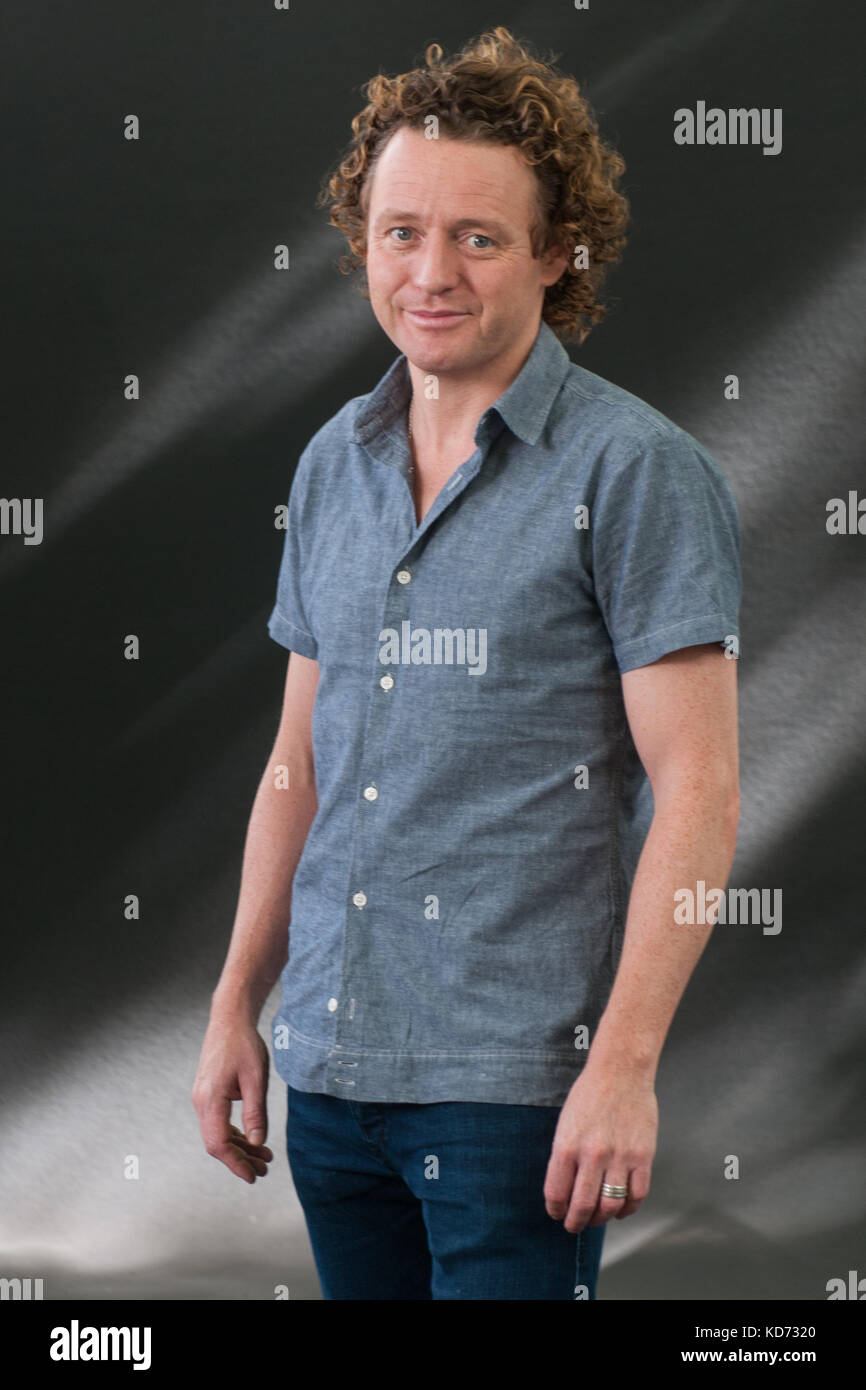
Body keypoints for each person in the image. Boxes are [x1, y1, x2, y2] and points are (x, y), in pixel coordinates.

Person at [192, 26, 741, 1300]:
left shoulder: (637, 472)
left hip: (511, 1102)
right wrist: (236, 1003)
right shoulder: (335, 460)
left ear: (556, 252)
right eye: (400, 232)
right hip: (327, 1074)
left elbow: (700, 792)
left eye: (478, 238)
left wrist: (623, 1064)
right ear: (363, 242)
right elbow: (296, 765)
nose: (429, 271)